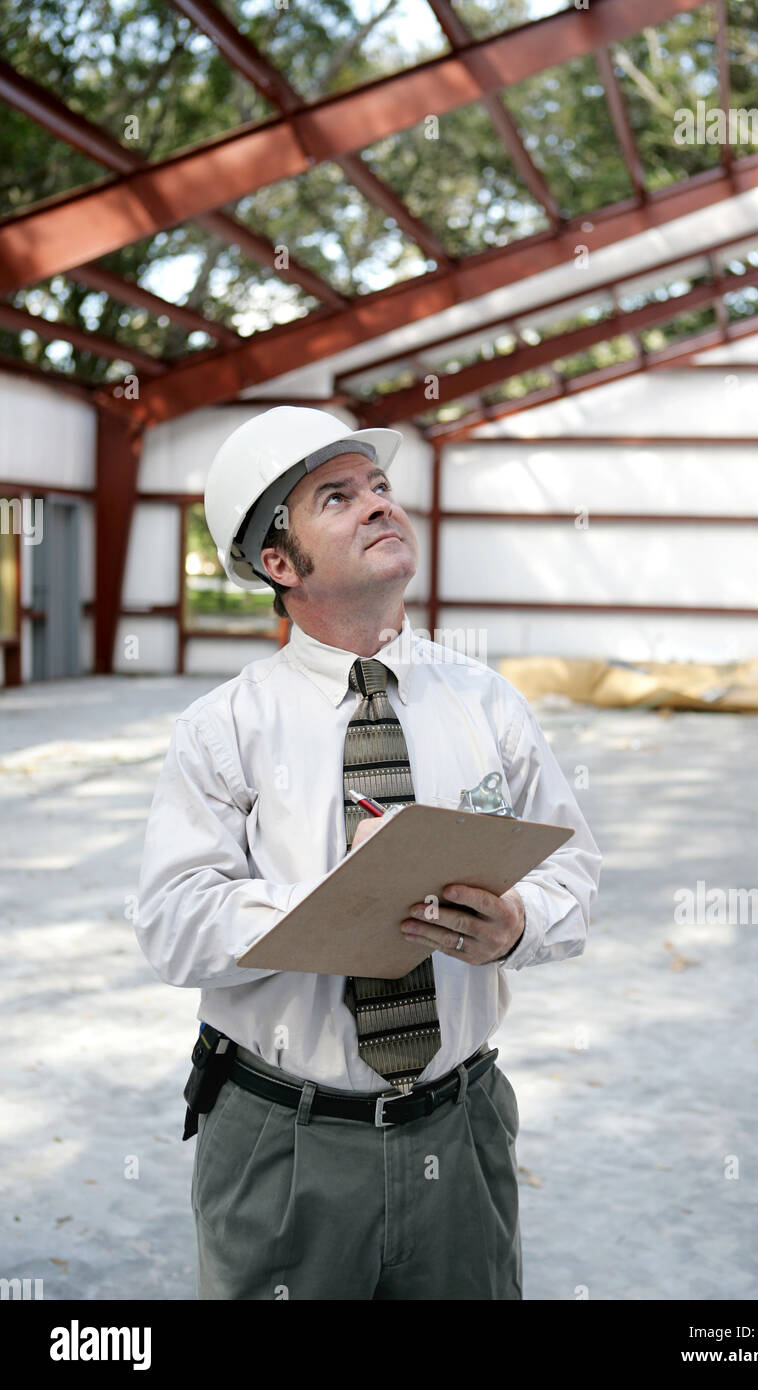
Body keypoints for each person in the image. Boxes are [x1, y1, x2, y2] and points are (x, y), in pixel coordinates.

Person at [136, 405, 602, 1301]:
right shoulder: (225, 729)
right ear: (280, 564)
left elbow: (572, 872)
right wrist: (335, 899)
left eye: (381, 486)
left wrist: (515, 925)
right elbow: (170, 925)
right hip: (286, 1147)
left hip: (460, 1134)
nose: (379, 505)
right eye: (338, 498)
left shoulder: (486, 703)